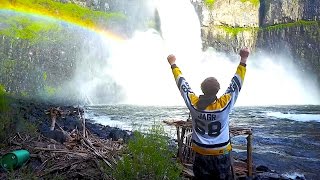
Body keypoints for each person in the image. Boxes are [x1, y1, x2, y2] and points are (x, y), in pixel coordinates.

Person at [167, 48, 250, 180]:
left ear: (202, 89)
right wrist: (243, 60)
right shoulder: (224, 104)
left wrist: (173, 64)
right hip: (221, 153)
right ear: (217, 90)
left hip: (201, 153)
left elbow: (182, 85)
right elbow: (236, 84)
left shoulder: (194, 104)